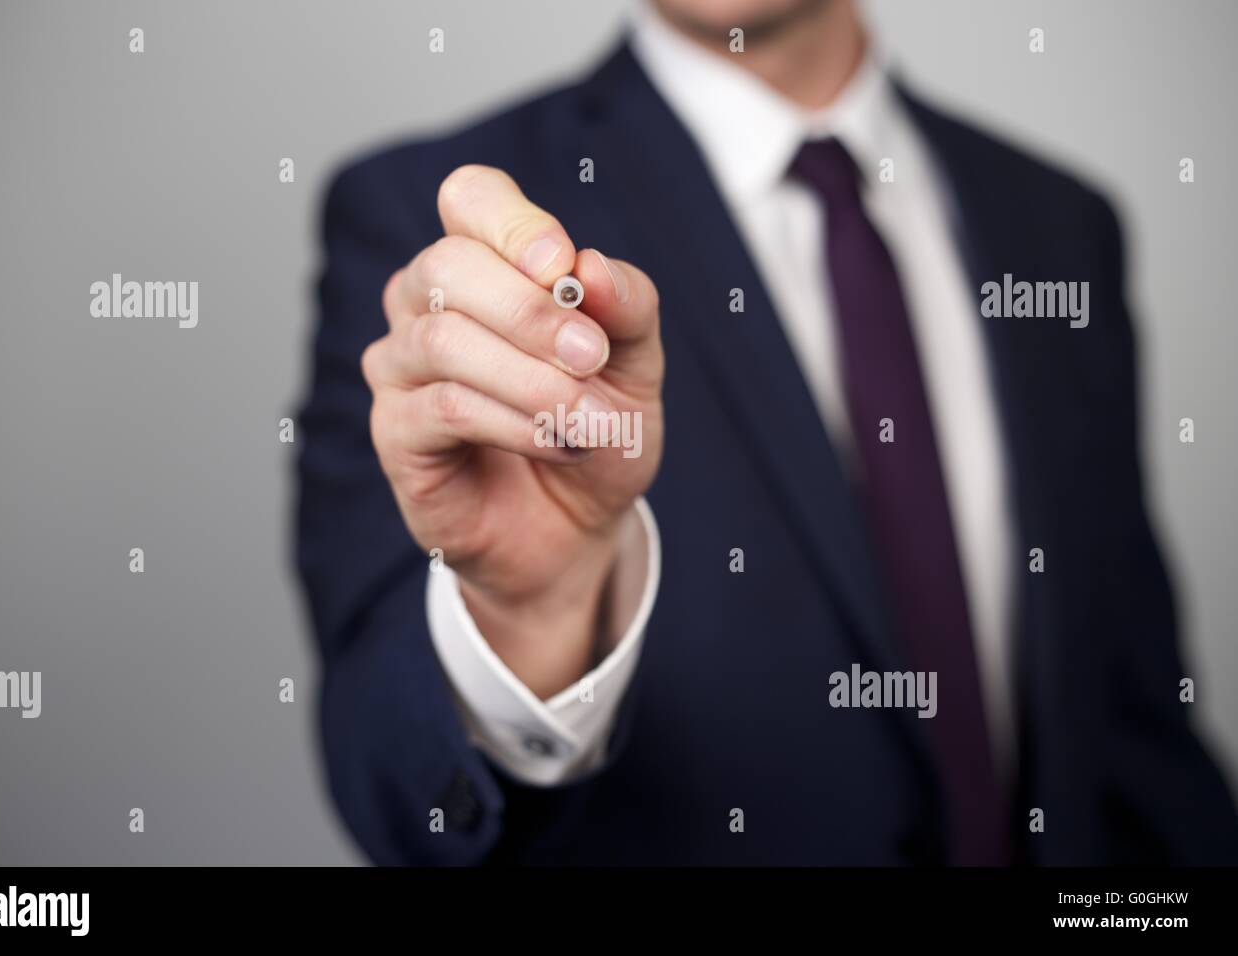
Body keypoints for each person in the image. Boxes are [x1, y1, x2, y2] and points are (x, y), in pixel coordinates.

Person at [295, 0, 1238, 865]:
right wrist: (525, 618)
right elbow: (395, 791)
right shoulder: (430, 227)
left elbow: (1133, 729)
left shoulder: (1060, 228)